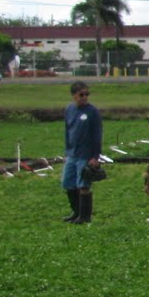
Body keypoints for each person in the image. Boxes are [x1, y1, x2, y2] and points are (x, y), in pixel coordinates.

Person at [61, 80, 103, 225]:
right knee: (68, 183)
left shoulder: (92, 112)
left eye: (87, 94)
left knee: (83, 184)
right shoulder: (69, 110)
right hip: (72, 153)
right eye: (81, 94)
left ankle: (85, 216)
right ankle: (76, 212)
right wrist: (67, 149)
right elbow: (67, 130)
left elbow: (97, 135)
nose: (85, 97)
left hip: (86, 154)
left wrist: (95, 156)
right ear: (74, 96)